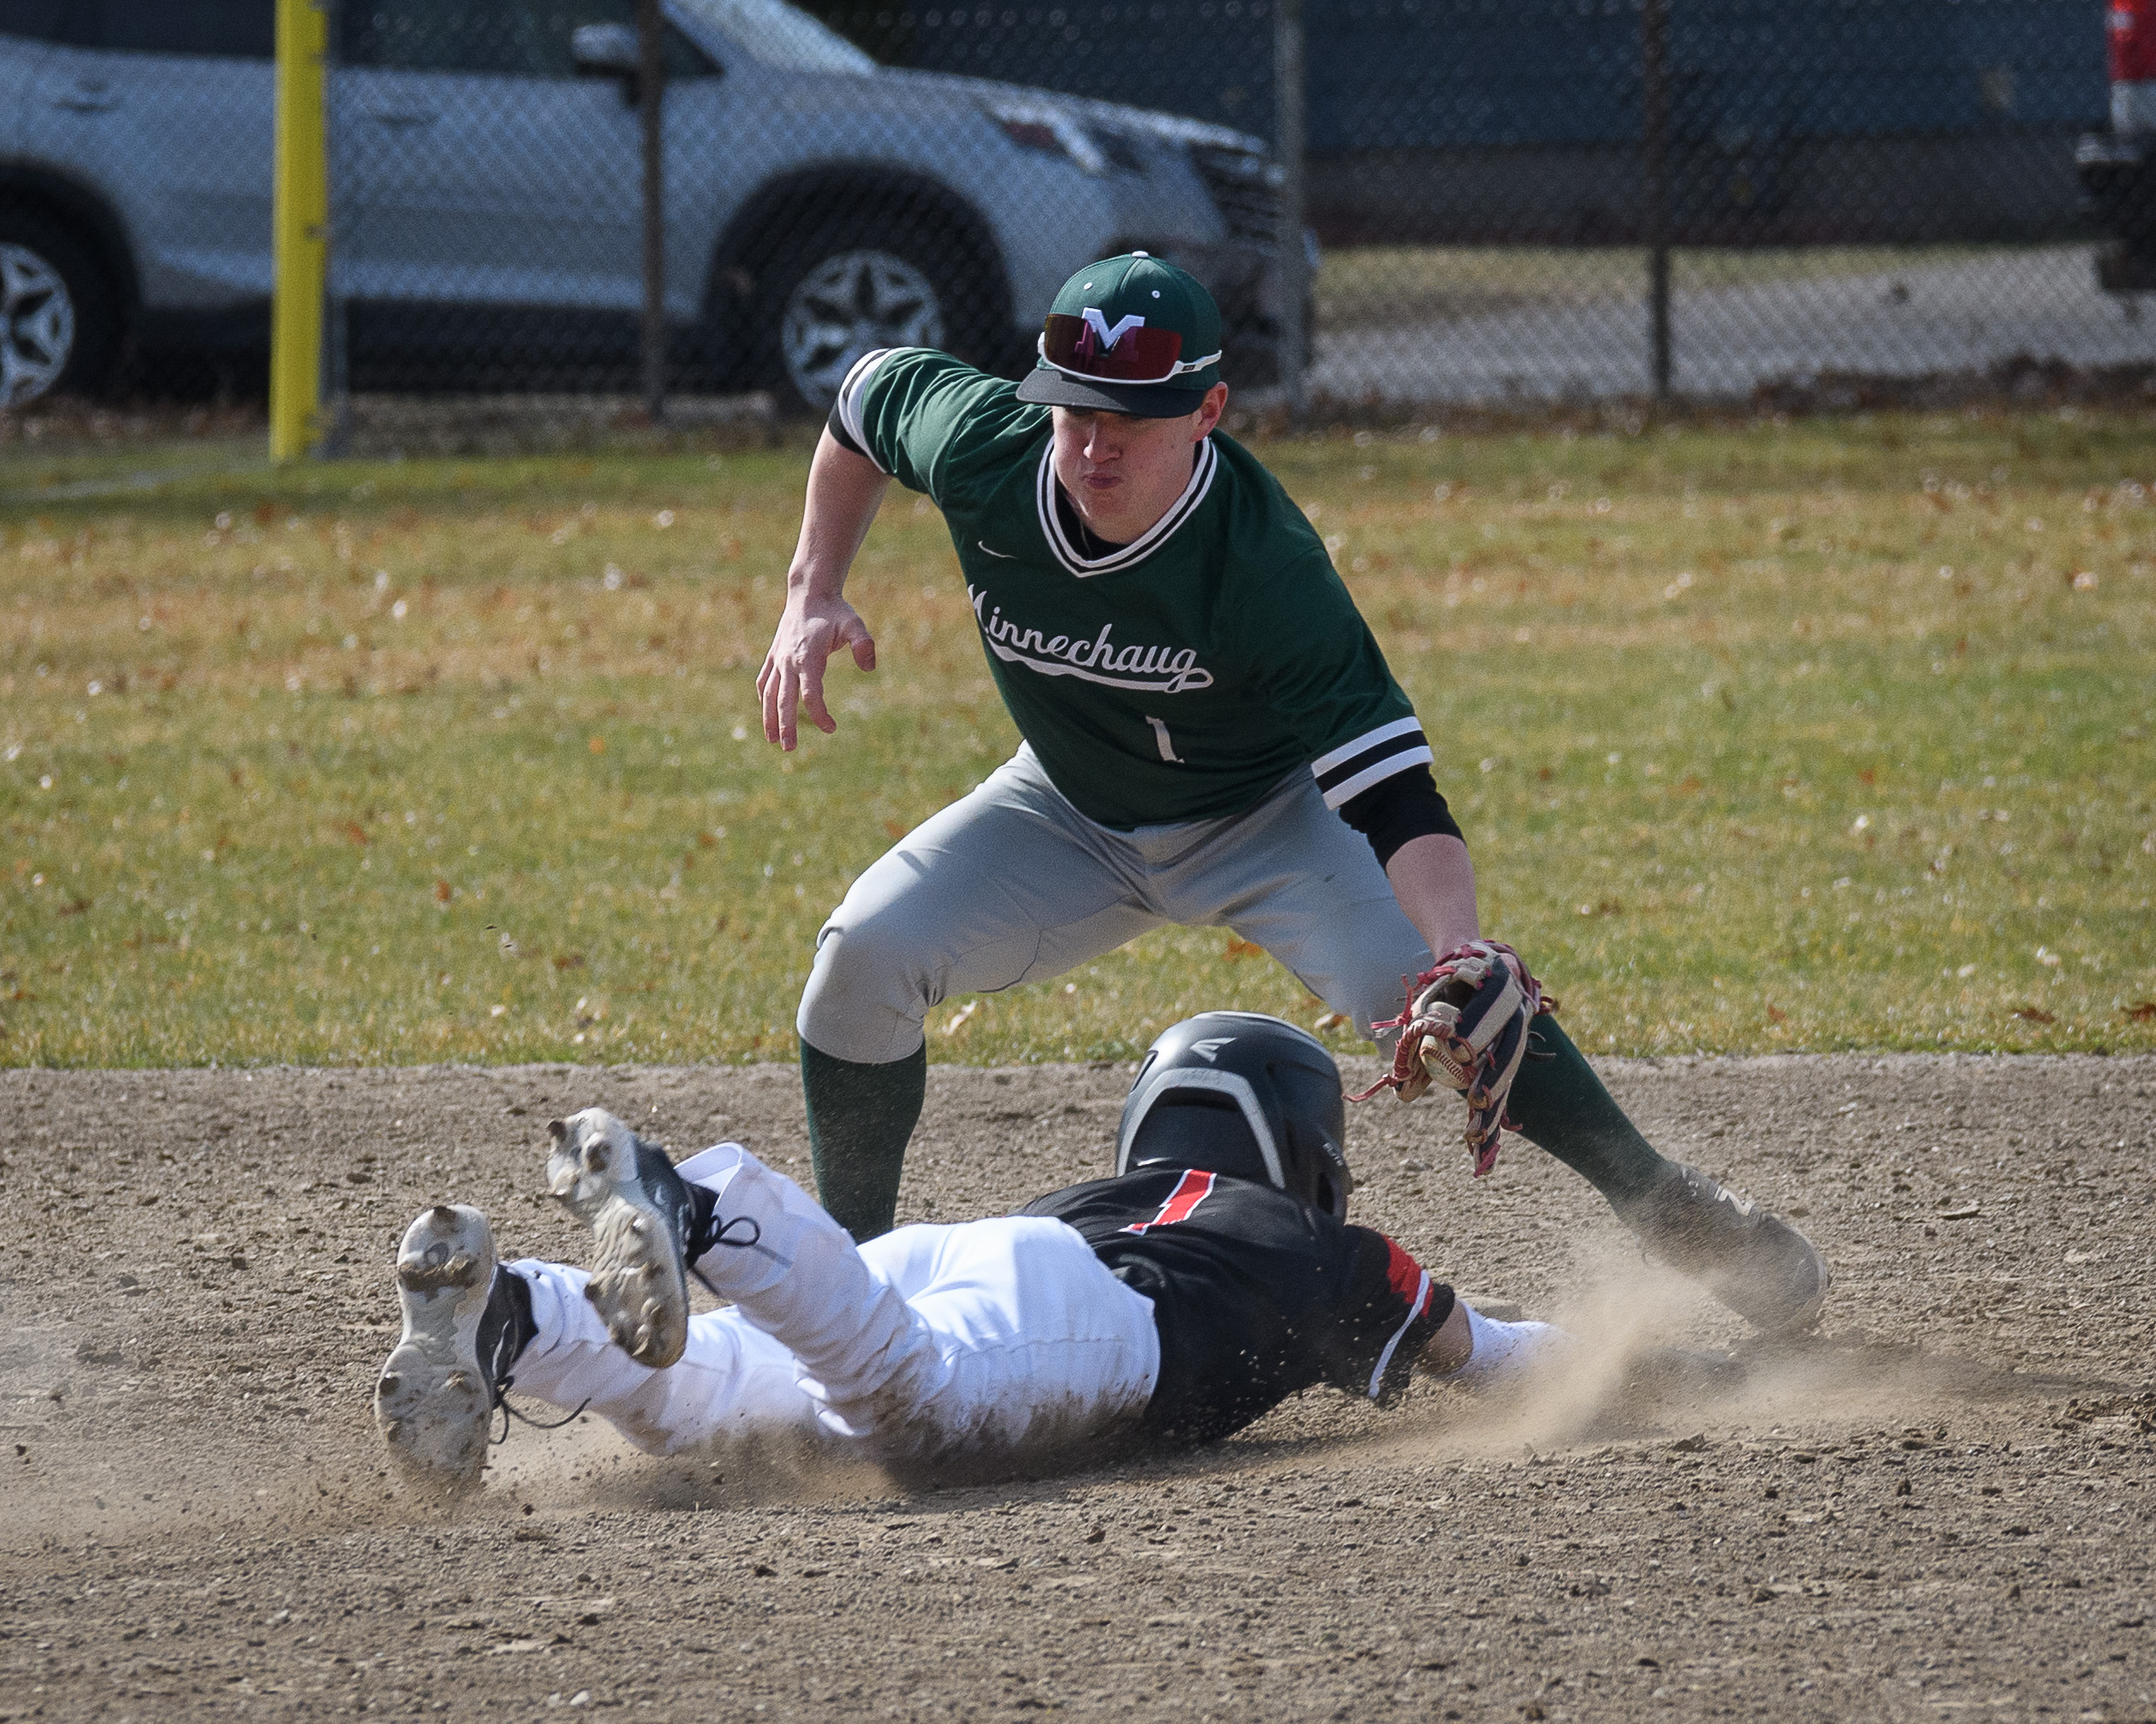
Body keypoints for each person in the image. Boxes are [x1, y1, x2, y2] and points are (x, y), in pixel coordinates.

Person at [753, 250, 1827, 1333]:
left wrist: (1457, 944)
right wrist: (813, 587)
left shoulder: (1262, 562)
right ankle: (850, 1298)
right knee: (860, 959)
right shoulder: (988, 450)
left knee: (1450, 1007)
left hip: (1269, 821)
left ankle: (1662, 1201)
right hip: (1066, 811)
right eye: (1073, 409)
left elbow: (1395, 792)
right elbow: (865, 395)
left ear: (1209, 409)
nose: (1091, 443)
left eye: (1131, 418)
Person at [373, 1014, 1574, 1493]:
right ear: (1302, 1145)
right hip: (1092, 1320)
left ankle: (517, 1316)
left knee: (727, 1403)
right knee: (914, 1406)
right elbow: (1494, 1358)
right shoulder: (1318, 1242)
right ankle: (699, 1210)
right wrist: (1638, 1363)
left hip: (981, 1254)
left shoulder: (1102, 1192)